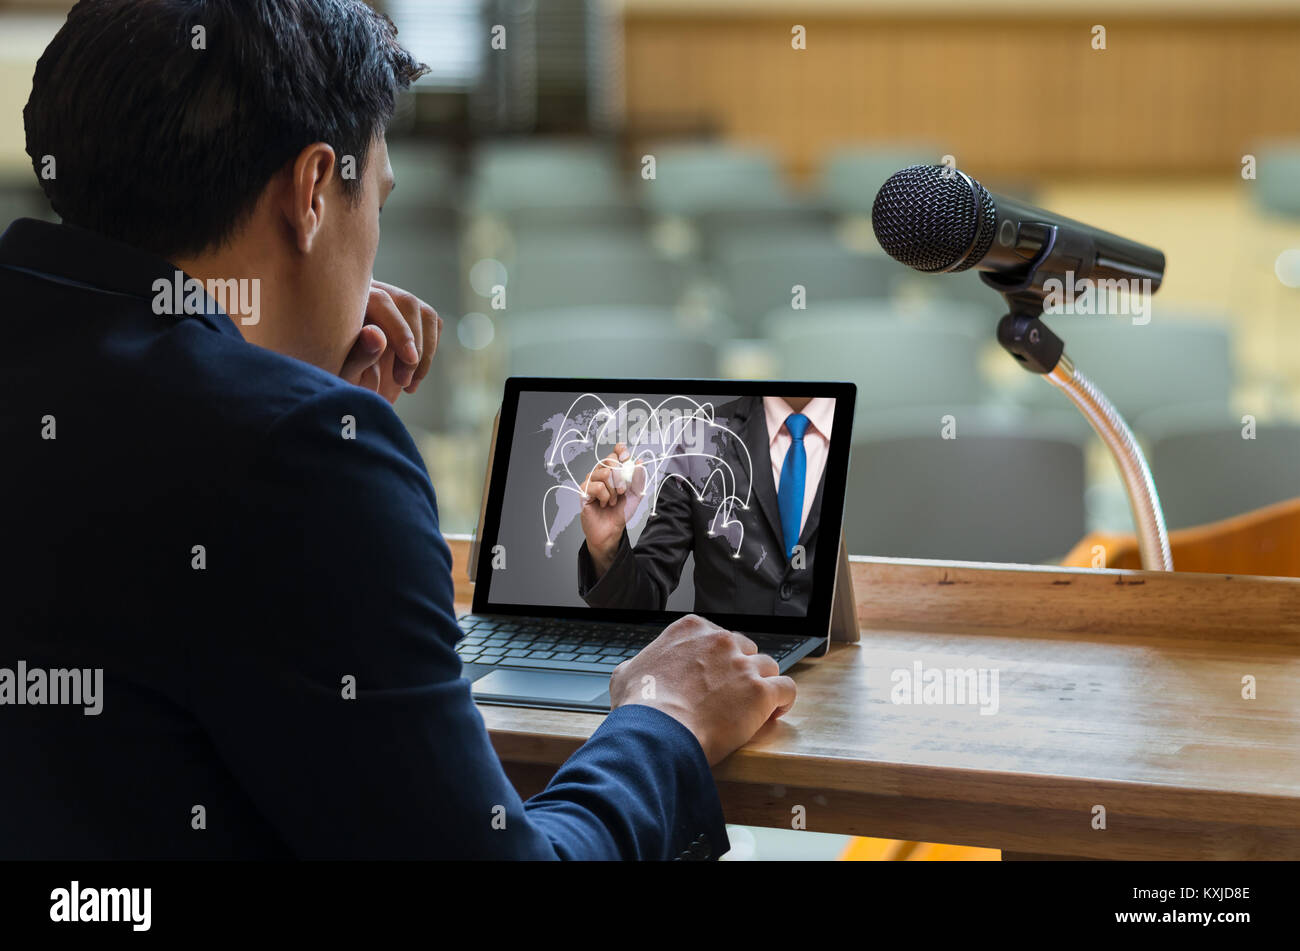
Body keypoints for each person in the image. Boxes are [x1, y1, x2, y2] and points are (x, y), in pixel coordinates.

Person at [0, 0, 794, 861]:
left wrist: (269, 378)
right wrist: (663, 719)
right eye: (373, 199)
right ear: (310, 194)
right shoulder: (304, 455)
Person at [578, 395, 835, 615]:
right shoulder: (702, 436)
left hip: (833, 661)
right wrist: (607, 548)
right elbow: (644, 599)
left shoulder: (867, 436)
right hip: (723, 666)